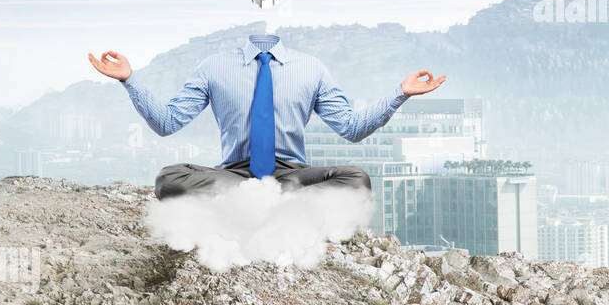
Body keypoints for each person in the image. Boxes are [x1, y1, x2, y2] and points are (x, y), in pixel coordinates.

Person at [88, 32, 446, 199]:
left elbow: (351, 128)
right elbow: (167, 123)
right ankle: (262, 198)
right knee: (169, 178)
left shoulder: (311, 68)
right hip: (234, 173)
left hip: (294, 174)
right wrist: (129, 80)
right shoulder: (214, 67)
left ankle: (267, 198)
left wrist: (401, 94)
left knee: (356, 179)